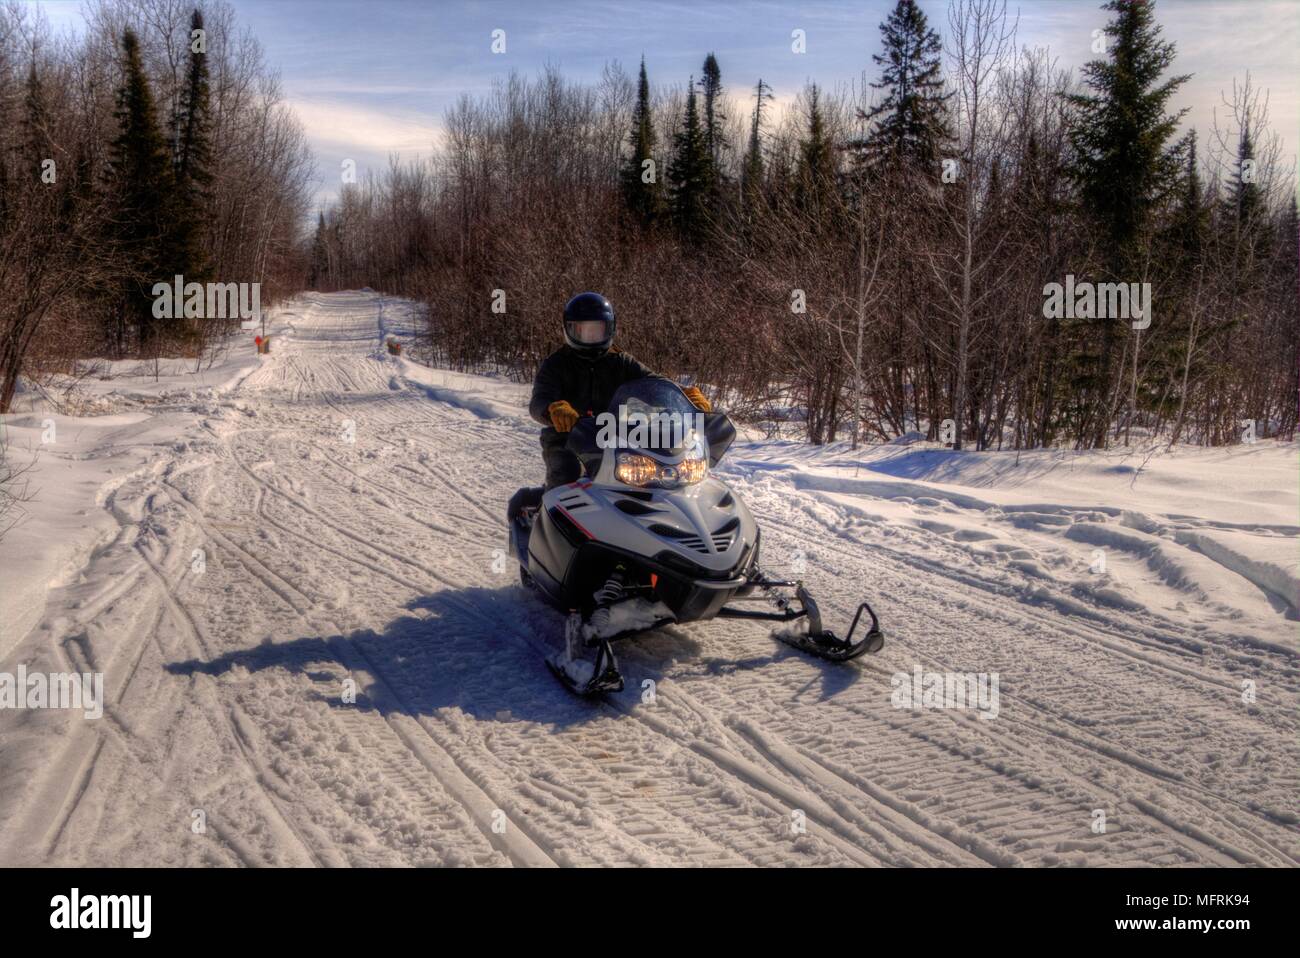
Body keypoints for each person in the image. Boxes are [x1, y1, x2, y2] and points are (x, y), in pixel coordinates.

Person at [528, 292, 711, 489]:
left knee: (650, 479)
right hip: (566, 439)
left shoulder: (622, 362)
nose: (590, 336)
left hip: (617, 438)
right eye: (583, 330)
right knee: (566, 475)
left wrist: (682, 394)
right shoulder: (556, 364)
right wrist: (552, 409)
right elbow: (539, 399)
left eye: (596, 330)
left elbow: (653, 382)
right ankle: (547, 516)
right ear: (569, 329)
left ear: (609, 328)